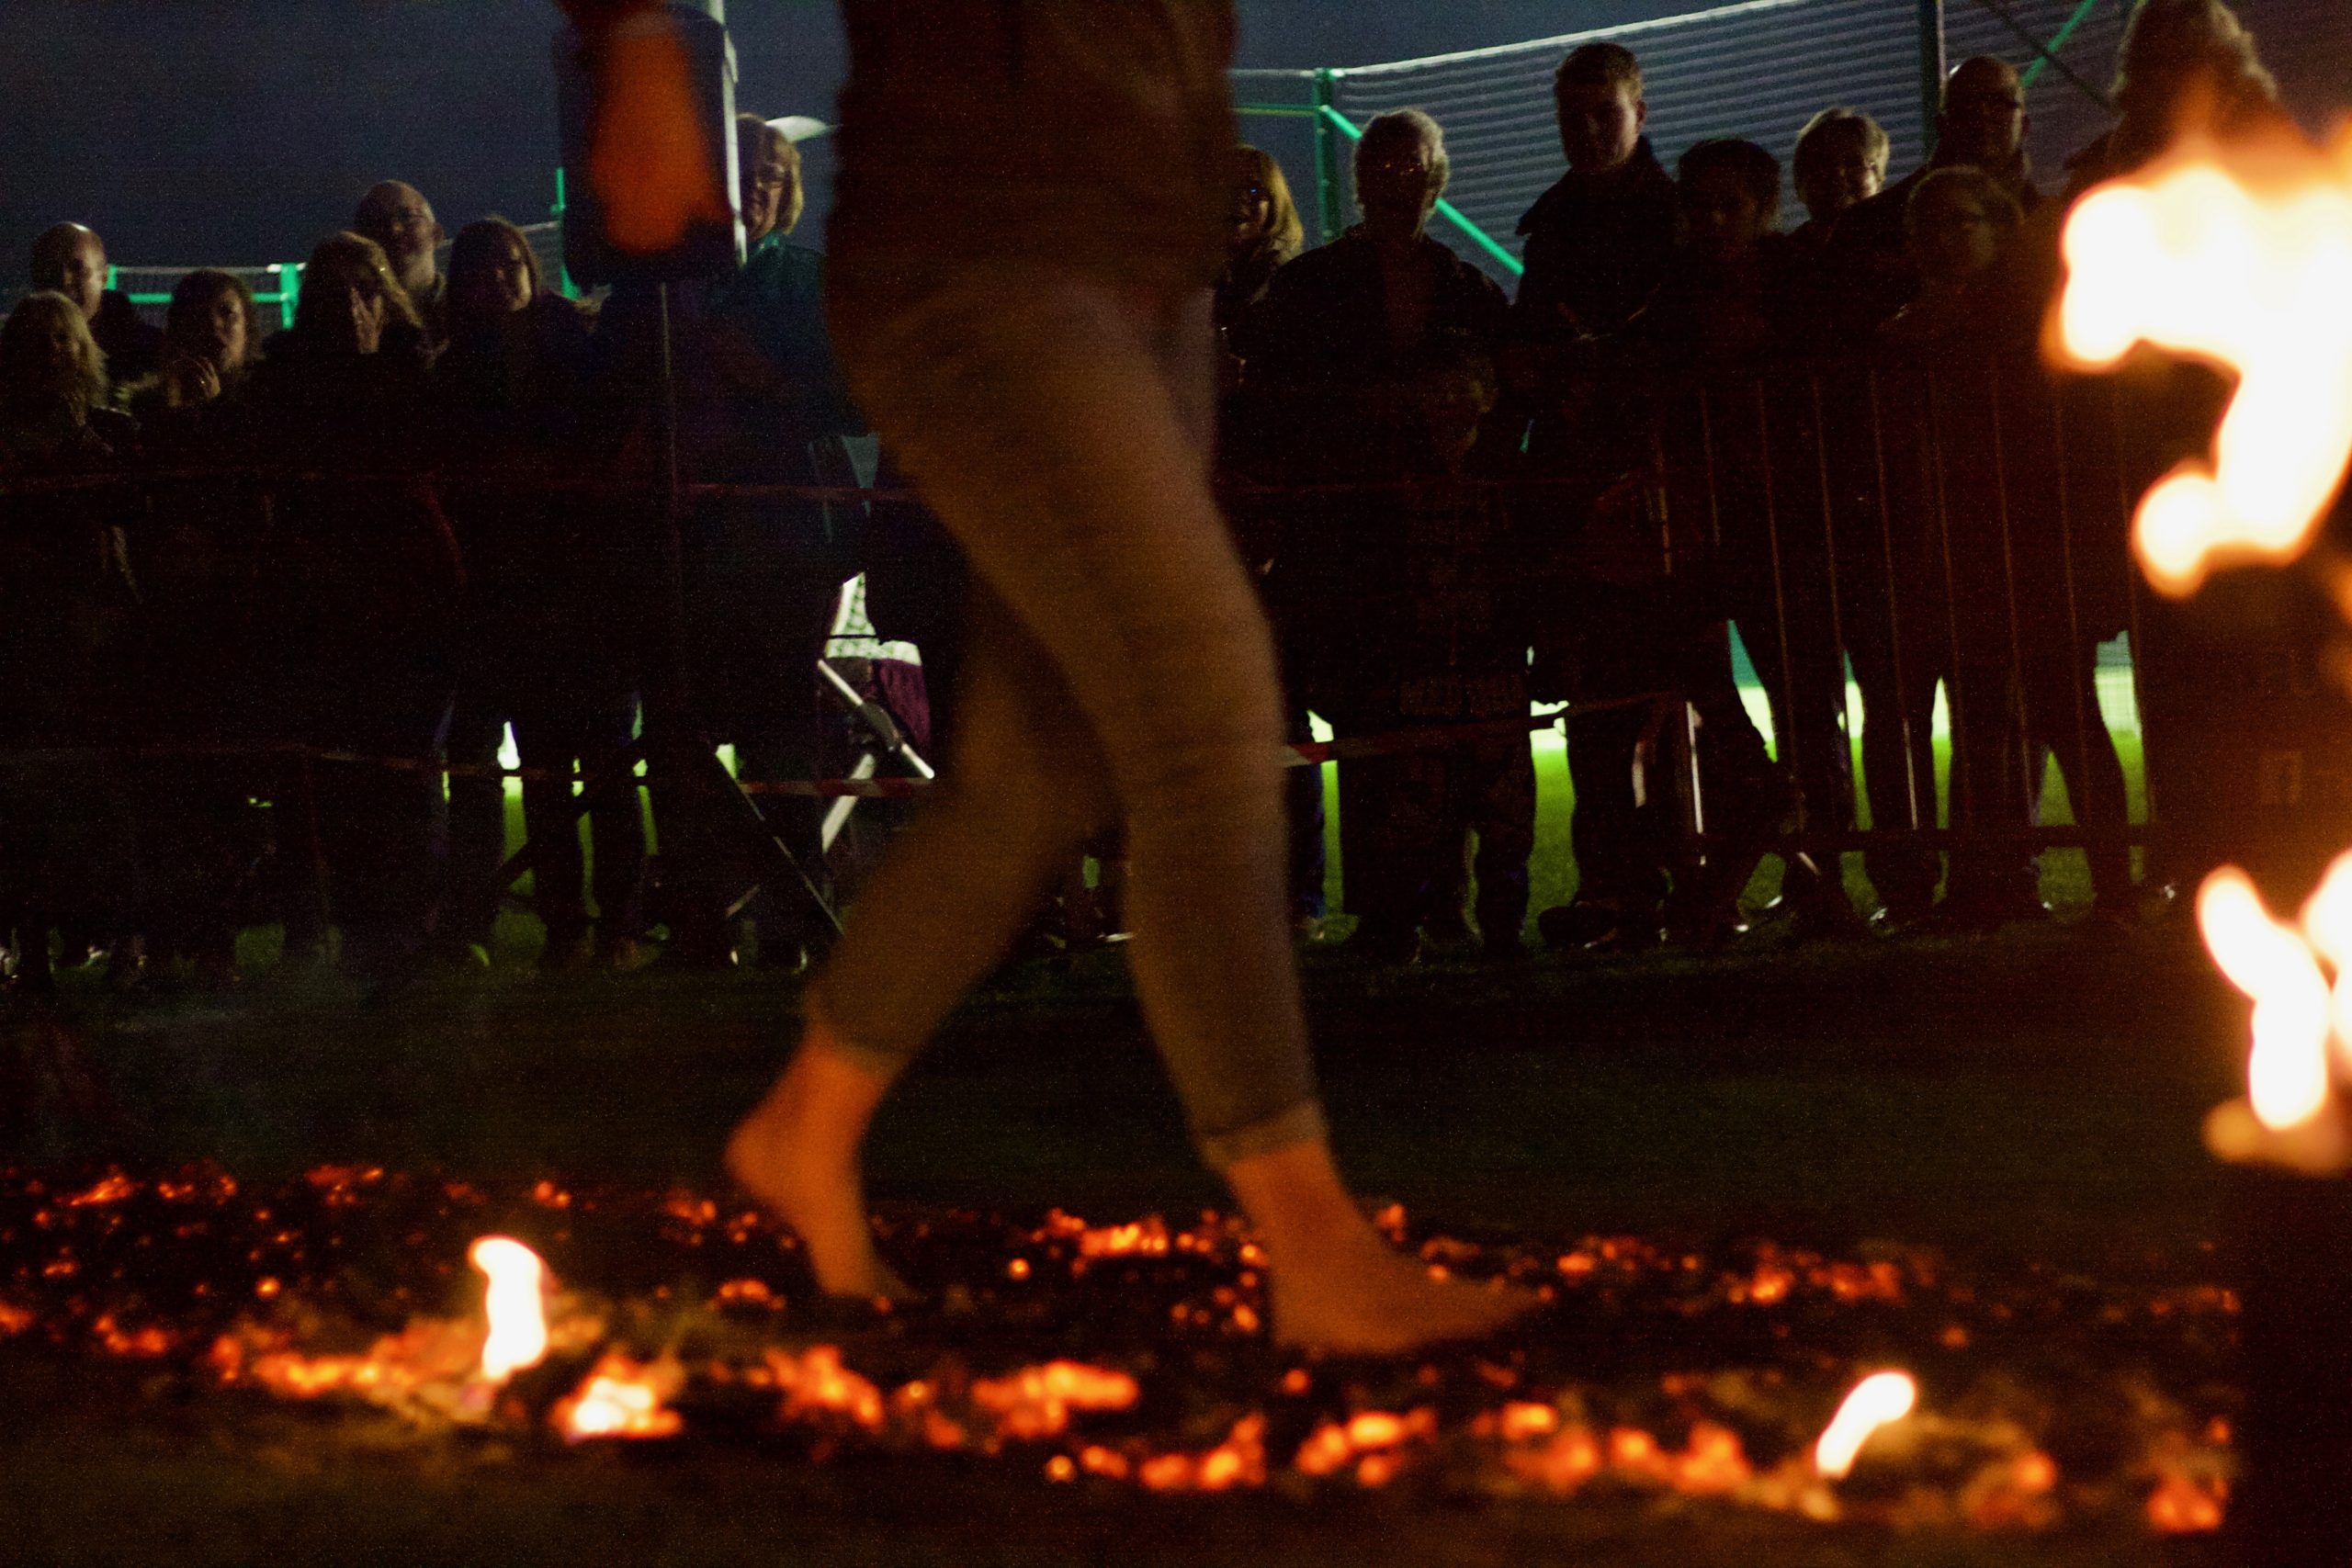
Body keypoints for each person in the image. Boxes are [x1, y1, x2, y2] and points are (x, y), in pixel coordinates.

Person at [726, 0, 1533, 1354]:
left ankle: (805, 1123)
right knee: (1207, 708)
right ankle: (1315, 1244)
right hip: (983, 241)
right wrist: (627, 39)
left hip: (1152, 250)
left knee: (1036, 770)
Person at [1235, 110, 1521, 963]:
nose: (1398, 185)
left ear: (1437, 181)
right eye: (1383, 170)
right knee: (1369, 723)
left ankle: (1446, 897)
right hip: (1350, 536)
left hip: (1442, 538)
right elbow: (1274, 403)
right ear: (1359, 182)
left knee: (1447, 722)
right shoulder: (1311, 288)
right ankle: (1390, 905)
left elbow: (1505, 399)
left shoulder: (1464, 288)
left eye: (1412, 171)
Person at [1882, 168, 2134, 926]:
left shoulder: (2027, 318)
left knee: (2066, 710)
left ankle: (2113, 885)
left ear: (2000, 230)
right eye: (1931, 227)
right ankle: (1990, 883)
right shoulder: (1916, 327)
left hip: (2038, 543)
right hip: (1966, 547)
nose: (1946, 240)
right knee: (1984, 716)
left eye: (1964, 223)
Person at [241, 232, 460, 982]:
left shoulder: (412, 366)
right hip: (315, 600)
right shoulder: (284, 378)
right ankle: (320, 927)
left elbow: (413, 455)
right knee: (322, 773)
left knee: (401, 769)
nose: (350, 309)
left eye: (362, 291)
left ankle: (404, 926)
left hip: (404, 597)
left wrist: (370, 368)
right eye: (333, 296)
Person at [436, 216, 647, 971]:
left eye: (508, 264)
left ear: (529, 267)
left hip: (587, 586)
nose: (497, 279)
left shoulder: (581, 346)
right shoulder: (458, 370)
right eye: (481, 269)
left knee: (608, 760)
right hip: (515, 594)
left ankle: (619, 920)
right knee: (549, 768)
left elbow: (606, 441)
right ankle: (566, 923)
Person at [125, 271, 270, 985]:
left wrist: (209, 420)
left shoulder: (261, 412)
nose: (217, 329)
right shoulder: (144, 415)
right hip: (161, 629)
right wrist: (180, 417)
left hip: (235, 626)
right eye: (203, 315)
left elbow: (242, 508)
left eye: (230, 314)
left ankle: (216, 942)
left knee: (223, 794)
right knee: (163, 796)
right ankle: (161, 943)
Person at [0, 293, 145, 988]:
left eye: (63, 337)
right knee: (24, 797)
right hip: (22, 634)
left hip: (97, 634)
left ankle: (120, 934)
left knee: (107, 794)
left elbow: (123, 502)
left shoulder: (111, 427)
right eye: (36, 340)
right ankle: (30, 945)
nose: (51, 351)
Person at [1211, 144, 1320, 934]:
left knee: (1280, 716)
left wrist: (1251, 384)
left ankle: (1300, 893)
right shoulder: (1186, 288)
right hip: (1202, 524)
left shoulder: (1297, 288)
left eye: (1254, 188)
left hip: (1273, 522)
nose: (1239, 201)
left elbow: (1317, 399)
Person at [1824, 57, 2040, 343]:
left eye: (1999, 102)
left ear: (2023, 124)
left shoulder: (2048, 223)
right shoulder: (1868, 225)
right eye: (1966, 103)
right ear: (1942, 123)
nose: (1983, 113)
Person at [28, 222, 165, 389]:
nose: (64, 280)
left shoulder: (152, 355)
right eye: (51, 269)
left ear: (104, 277)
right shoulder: (14, 352)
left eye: (77, 269)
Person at [352, 181, 448, 351]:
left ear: (436, 234)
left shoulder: (471, 309)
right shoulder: (348, 318)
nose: (393, 228)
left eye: (407, 217)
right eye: (377, 221)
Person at [1789, 108, 1888, 260]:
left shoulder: (1904, 250)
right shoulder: (1780, 261)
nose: (1838, 173)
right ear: (1799, 184)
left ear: (1878, 177)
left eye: (1853, 162)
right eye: (1823, 164)